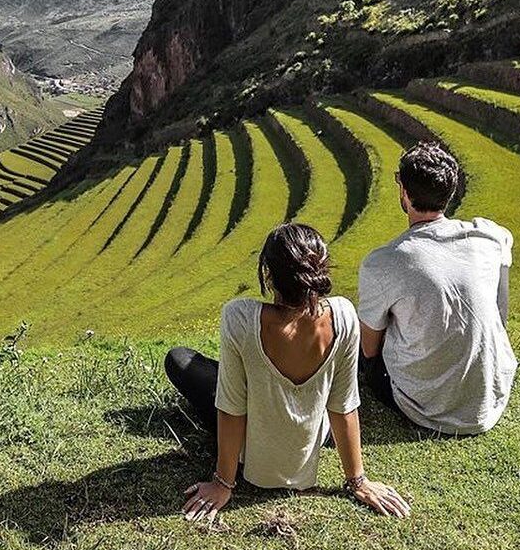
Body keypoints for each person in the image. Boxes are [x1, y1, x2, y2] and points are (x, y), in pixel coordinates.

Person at [165, 222, 410, 523]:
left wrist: (223, 483)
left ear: (269, 276)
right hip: (313, 437)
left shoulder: (239, 316)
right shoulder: (344, 315)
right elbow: (344, 404)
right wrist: (359, 481)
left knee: (180, 360)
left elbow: (231, 407)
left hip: (252, 457)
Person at [358, 141, 516, 435]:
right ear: (451, 191)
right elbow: (504, 244)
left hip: (424, 406)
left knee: (356, 332)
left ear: (404, 192)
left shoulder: (384, 262)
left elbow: (369, 350)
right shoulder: (490, 237)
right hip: (490, 399)